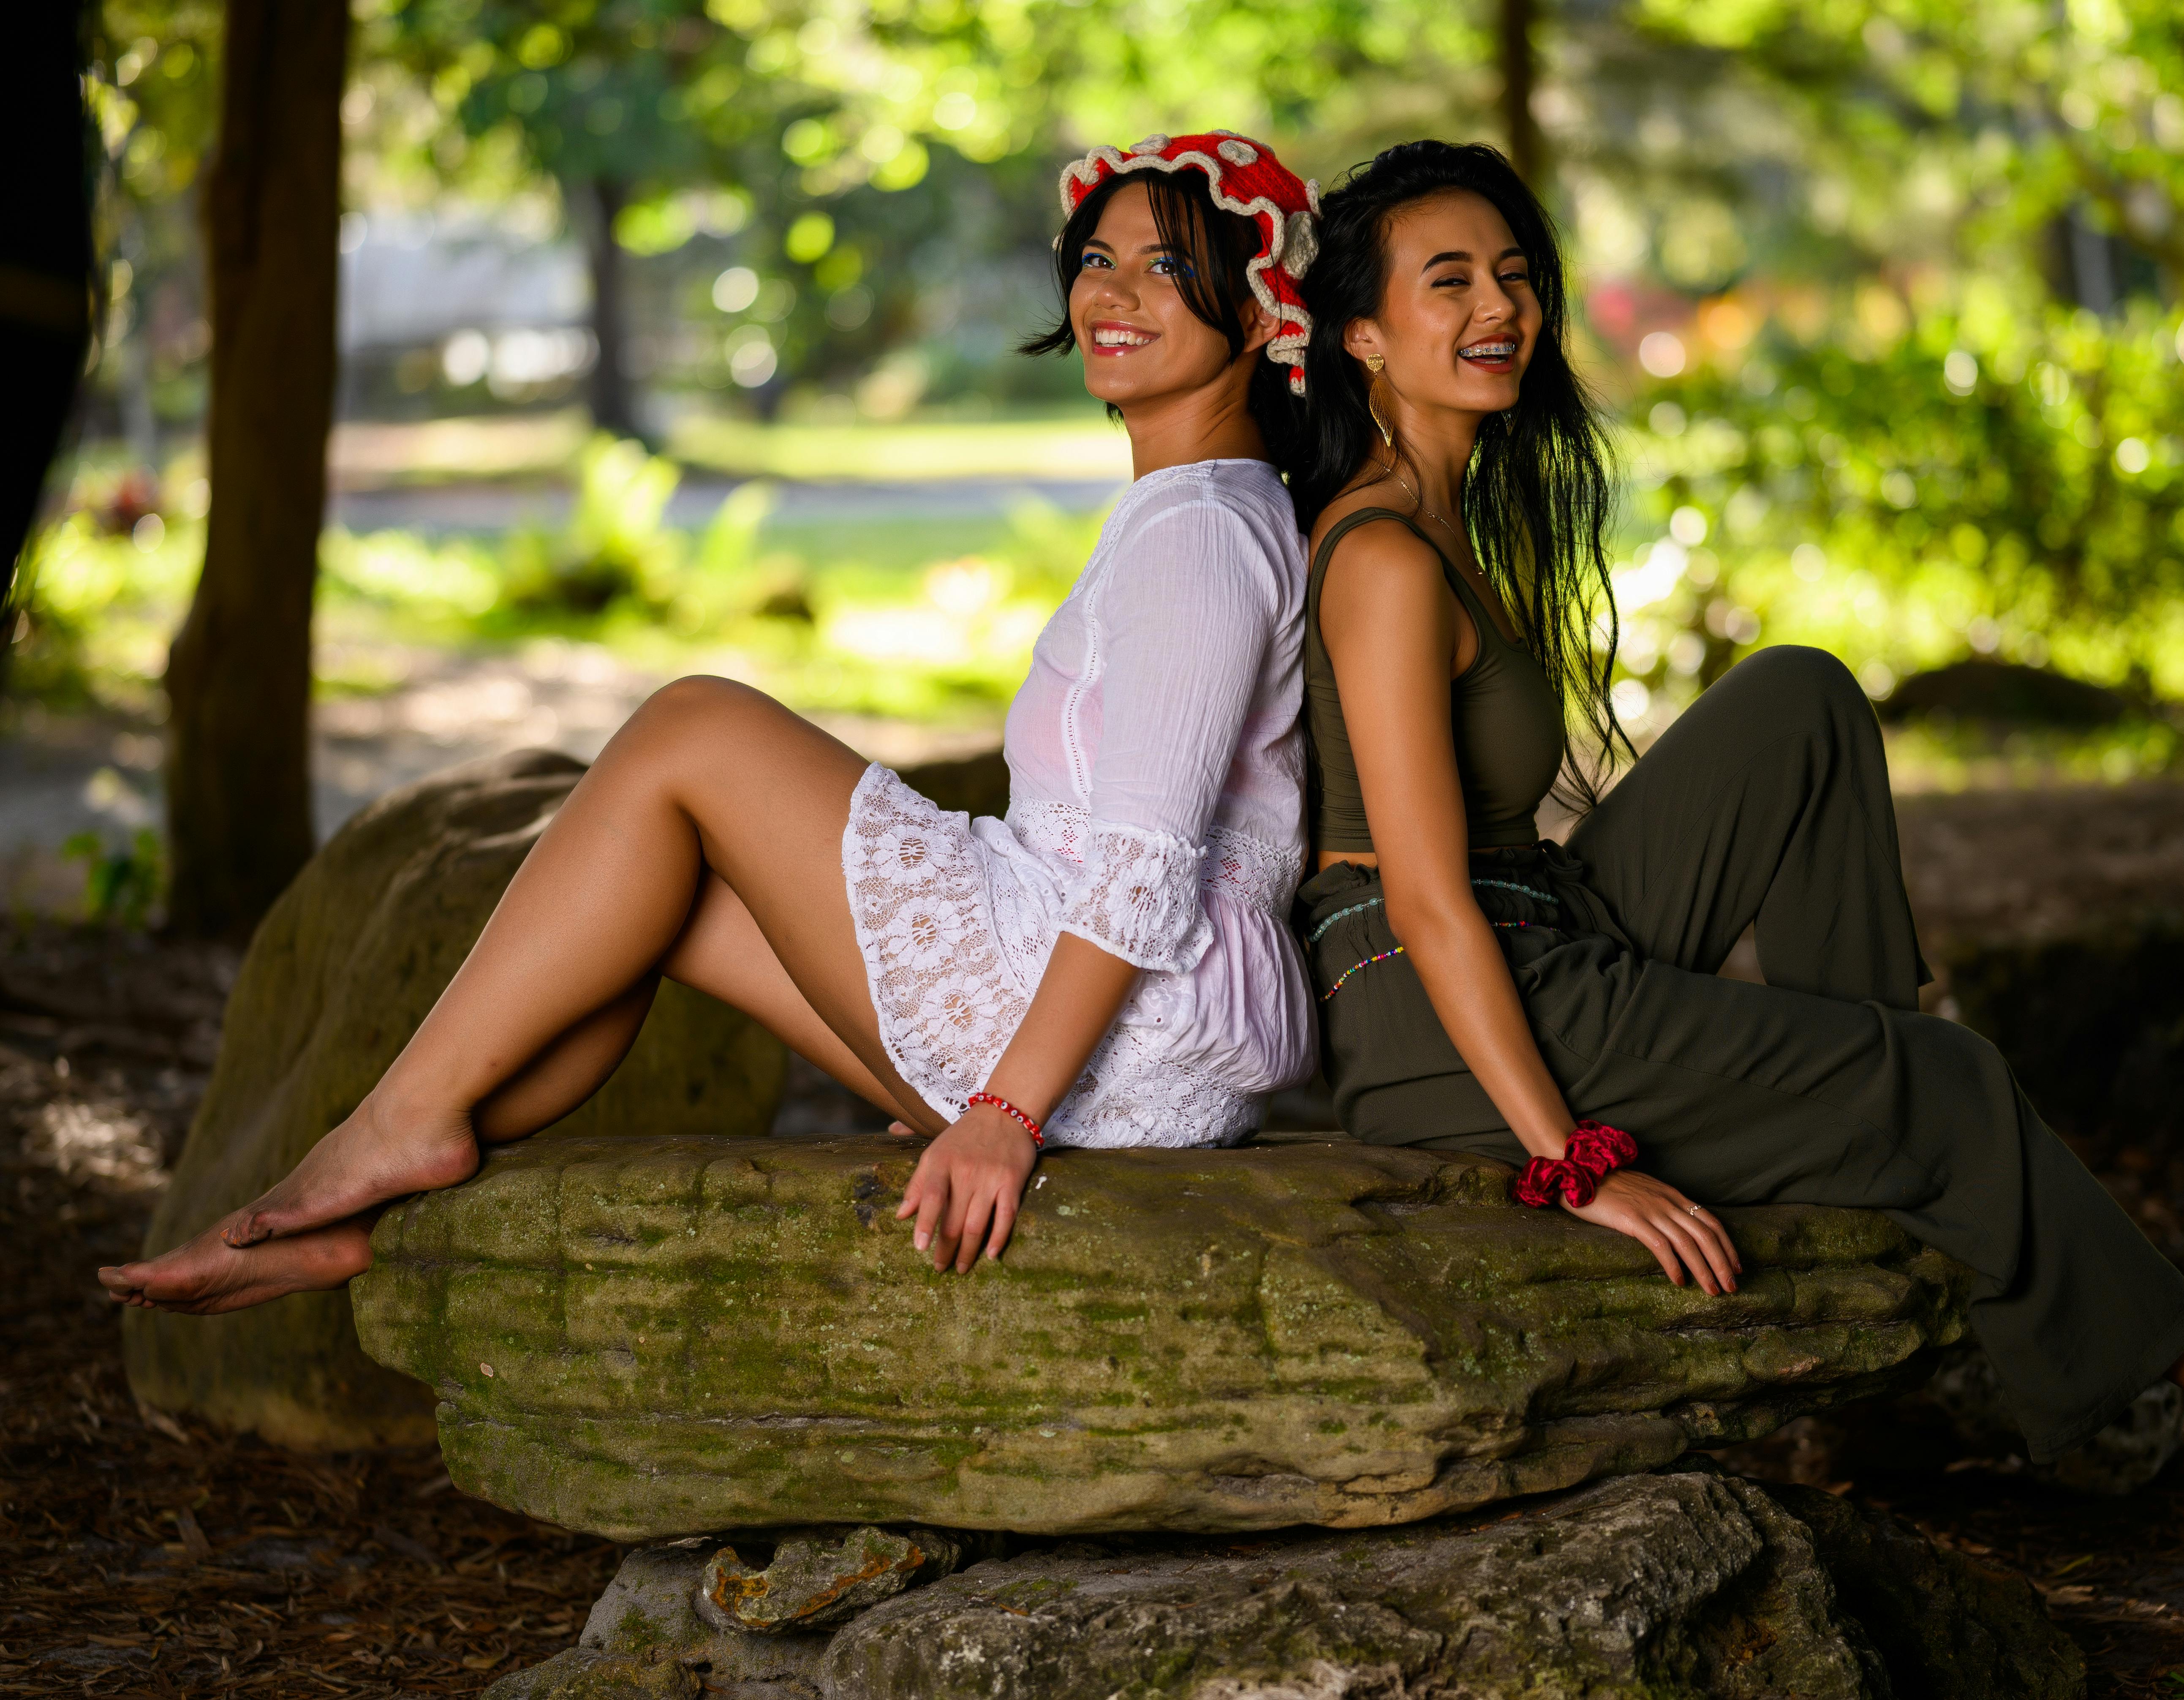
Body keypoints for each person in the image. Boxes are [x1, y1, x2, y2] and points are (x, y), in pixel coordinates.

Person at [1288, 139, 2184, 1474]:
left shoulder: (1449, 516)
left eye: (1515, 274)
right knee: (1948, 1078)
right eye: (1450, 282)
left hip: (1542, 916)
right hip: (1437, 992)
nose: (1501, 309)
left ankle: (1880, 1125)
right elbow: (1425, 898)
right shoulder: (1381, 558)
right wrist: (1575, 1162)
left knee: (1800, 702)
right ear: (1363, 334)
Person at [101, 130, 1325, 1306]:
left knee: (693, 726)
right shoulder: (1196, 510)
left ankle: (390, 1125)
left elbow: (1142, 876)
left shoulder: (1204, 533)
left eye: (1169, 265)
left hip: (1128, 1050)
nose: (1116, 291)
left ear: (1264, 313)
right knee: (658, 898)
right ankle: (372, 1201)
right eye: (1100, 259)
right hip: (1125, 1035)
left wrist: (1003, 1114)